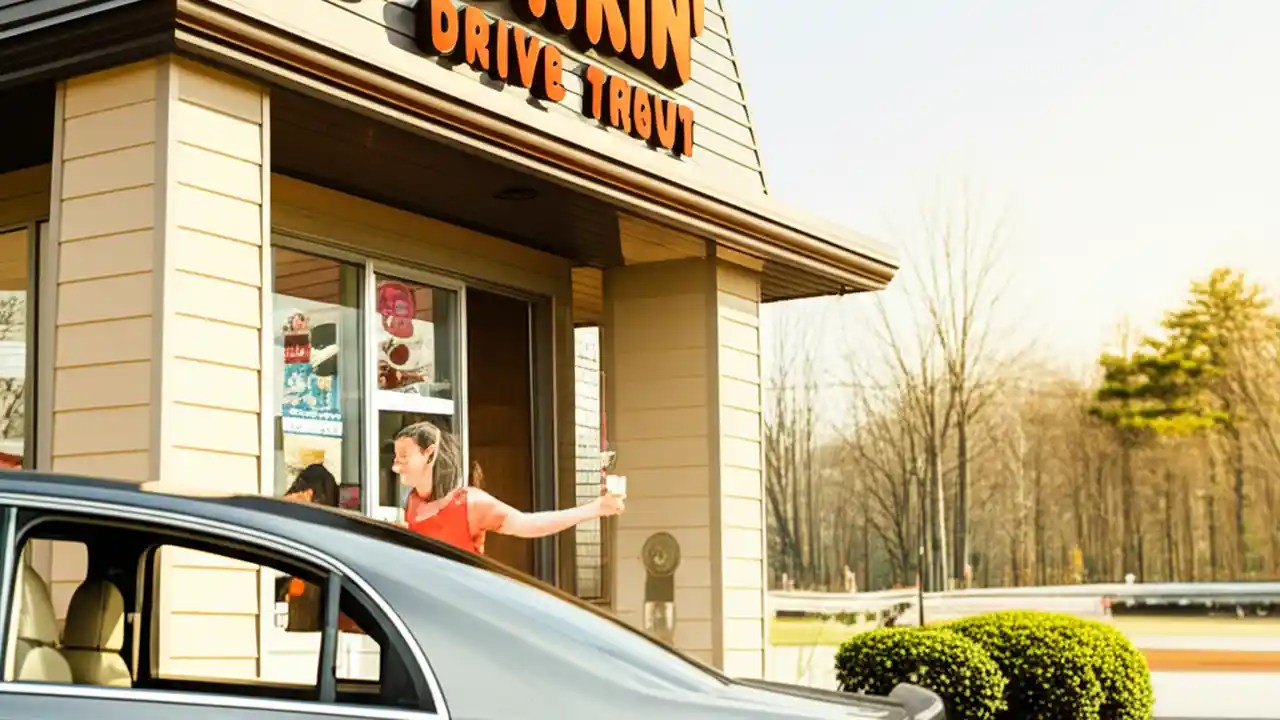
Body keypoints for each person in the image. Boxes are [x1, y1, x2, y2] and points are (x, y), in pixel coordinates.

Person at [392, 420, 624, 554]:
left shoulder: (469, 504)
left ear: (429, 455)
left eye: (403, 456)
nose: (395, 466)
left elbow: (527, 524)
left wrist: (594, 509)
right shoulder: (412, 502)